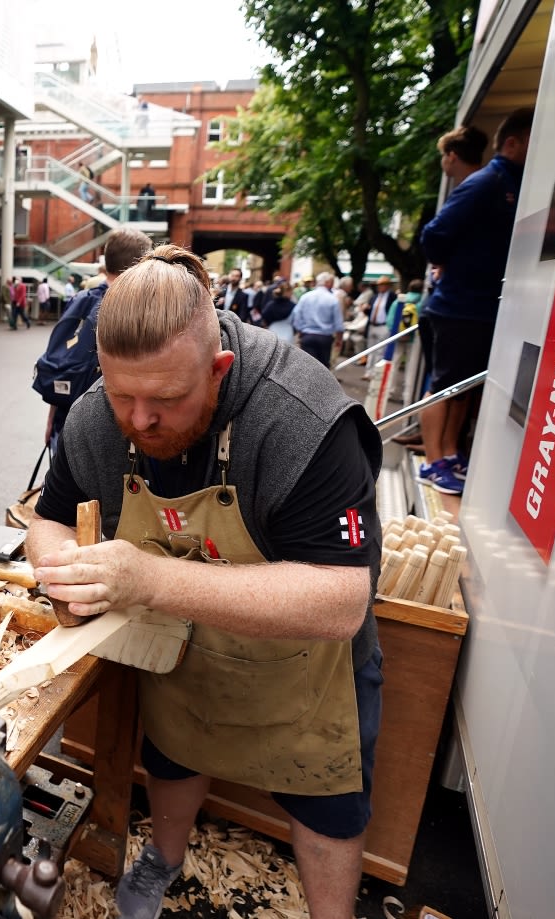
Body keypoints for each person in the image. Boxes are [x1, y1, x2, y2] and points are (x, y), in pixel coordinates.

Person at [27, 244, 382, 919]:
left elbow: (340, 601)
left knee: (328, 801)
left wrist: (148, 578)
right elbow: (47, 519)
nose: (138, 420)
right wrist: (61, 572)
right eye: (122, 394)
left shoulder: (299, 418)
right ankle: (163, 857)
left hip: (305, 663)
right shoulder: (99, 415)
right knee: (173, 754)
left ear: (218, 367)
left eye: (164, 399)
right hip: (183, 650)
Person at [417, 108, 533, 495]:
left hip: (477, 306)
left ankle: (449, 453)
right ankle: (433, 462)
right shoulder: (486, 182)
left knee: (463, 389)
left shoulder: (504, 181)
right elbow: (434, 235)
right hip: (457, 307)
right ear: (513, 143)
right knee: (445, 386)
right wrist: (448, 265)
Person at [40, 228, 152, 454]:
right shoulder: (133, 309)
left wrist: (52, 419)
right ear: (140, 265)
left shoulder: (82, 299)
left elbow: (63, 359)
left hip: (65, 421)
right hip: (106, 432)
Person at [289, 272, 344, 368]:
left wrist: (300, 331)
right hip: (325, 338)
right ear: (327, 282)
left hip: (308, 335)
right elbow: (338, 323)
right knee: (323, 368)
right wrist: (339, 339)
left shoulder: (305, 297)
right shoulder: (332, 299)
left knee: (307, 366)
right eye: (331, 282)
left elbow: (296, 315)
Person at [360, 276, 399, 378]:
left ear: (387, 286)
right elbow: (370, 311)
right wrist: (365, 309)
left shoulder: (392, 296)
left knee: (380, 351)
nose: (379, 287)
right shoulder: (374, 297)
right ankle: (368, 372)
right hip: (372, 325)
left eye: (382, 285)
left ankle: (375, 373)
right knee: (370, 350)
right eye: (379, 285)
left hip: (383, 326)